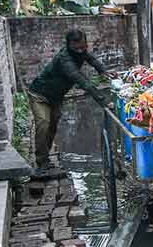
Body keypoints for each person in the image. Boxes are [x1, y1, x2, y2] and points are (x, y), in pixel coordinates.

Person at [26, 29, 112, 175]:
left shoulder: (81, 51)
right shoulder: (64, 59)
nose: (80, 51)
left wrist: (103, 70)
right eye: (76, 48)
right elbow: (83, 81)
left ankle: (45, 158)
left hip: (56, 97)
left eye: (83, 47)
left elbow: (92, 59)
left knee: (52, 126)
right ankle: (41, 163)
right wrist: (103, 102)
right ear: (69, 44)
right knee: (43, 124)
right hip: (39, 95)